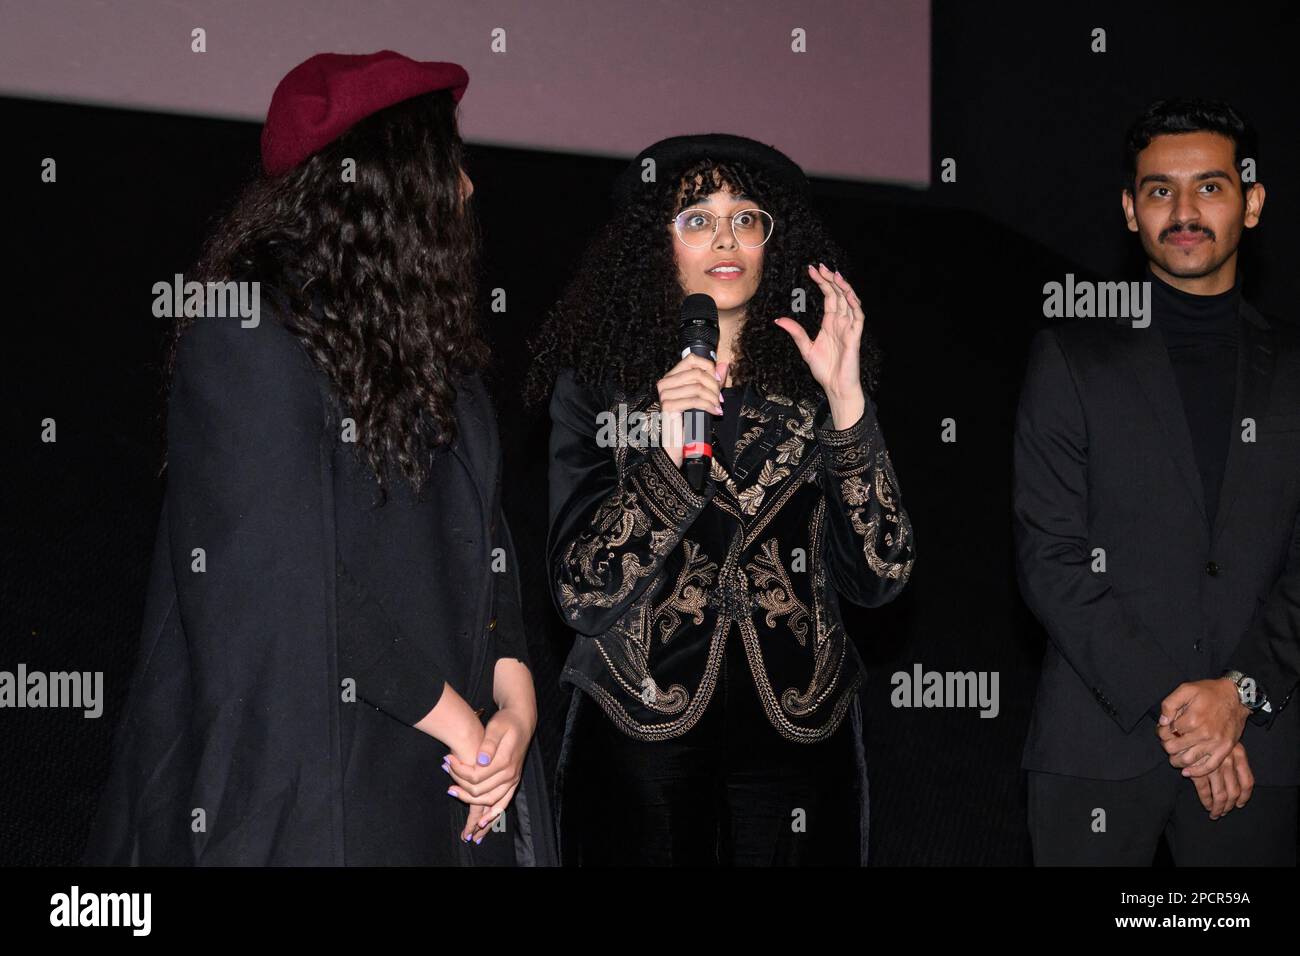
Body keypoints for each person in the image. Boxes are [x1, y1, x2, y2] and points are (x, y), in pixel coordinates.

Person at [83, 50, 557, 865]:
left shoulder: (443, 359)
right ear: (386, 182)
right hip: (323, 784)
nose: (469, 189)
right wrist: (456, 721)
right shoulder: (246, 335)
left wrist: (516, 702)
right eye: (450, 165)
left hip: (456, 777)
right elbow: (279, 574)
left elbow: (492, 551)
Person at [524, 133, 915, 865]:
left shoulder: (815, 383)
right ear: (656, 244)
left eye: (747, 218)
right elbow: (580, 593)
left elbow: (882, 577)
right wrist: (668, 458)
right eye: (697, 218)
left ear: (774, 241)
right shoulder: (599, 387)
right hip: (638, 738)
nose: (725, 236)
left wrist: (847, 401)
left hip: (802, 742)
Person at [1014, 97, 1299, 865]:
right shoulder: (1070, 357)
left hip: (1260, 753)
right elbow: (1051, 560)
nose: (1184, 210)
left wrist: (1238, 694)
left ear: (1253, 203)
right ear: (1130, 211)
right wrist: (1185, 709)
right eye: (1158, 190)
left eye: (1210, 186)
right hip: (1096, 750)